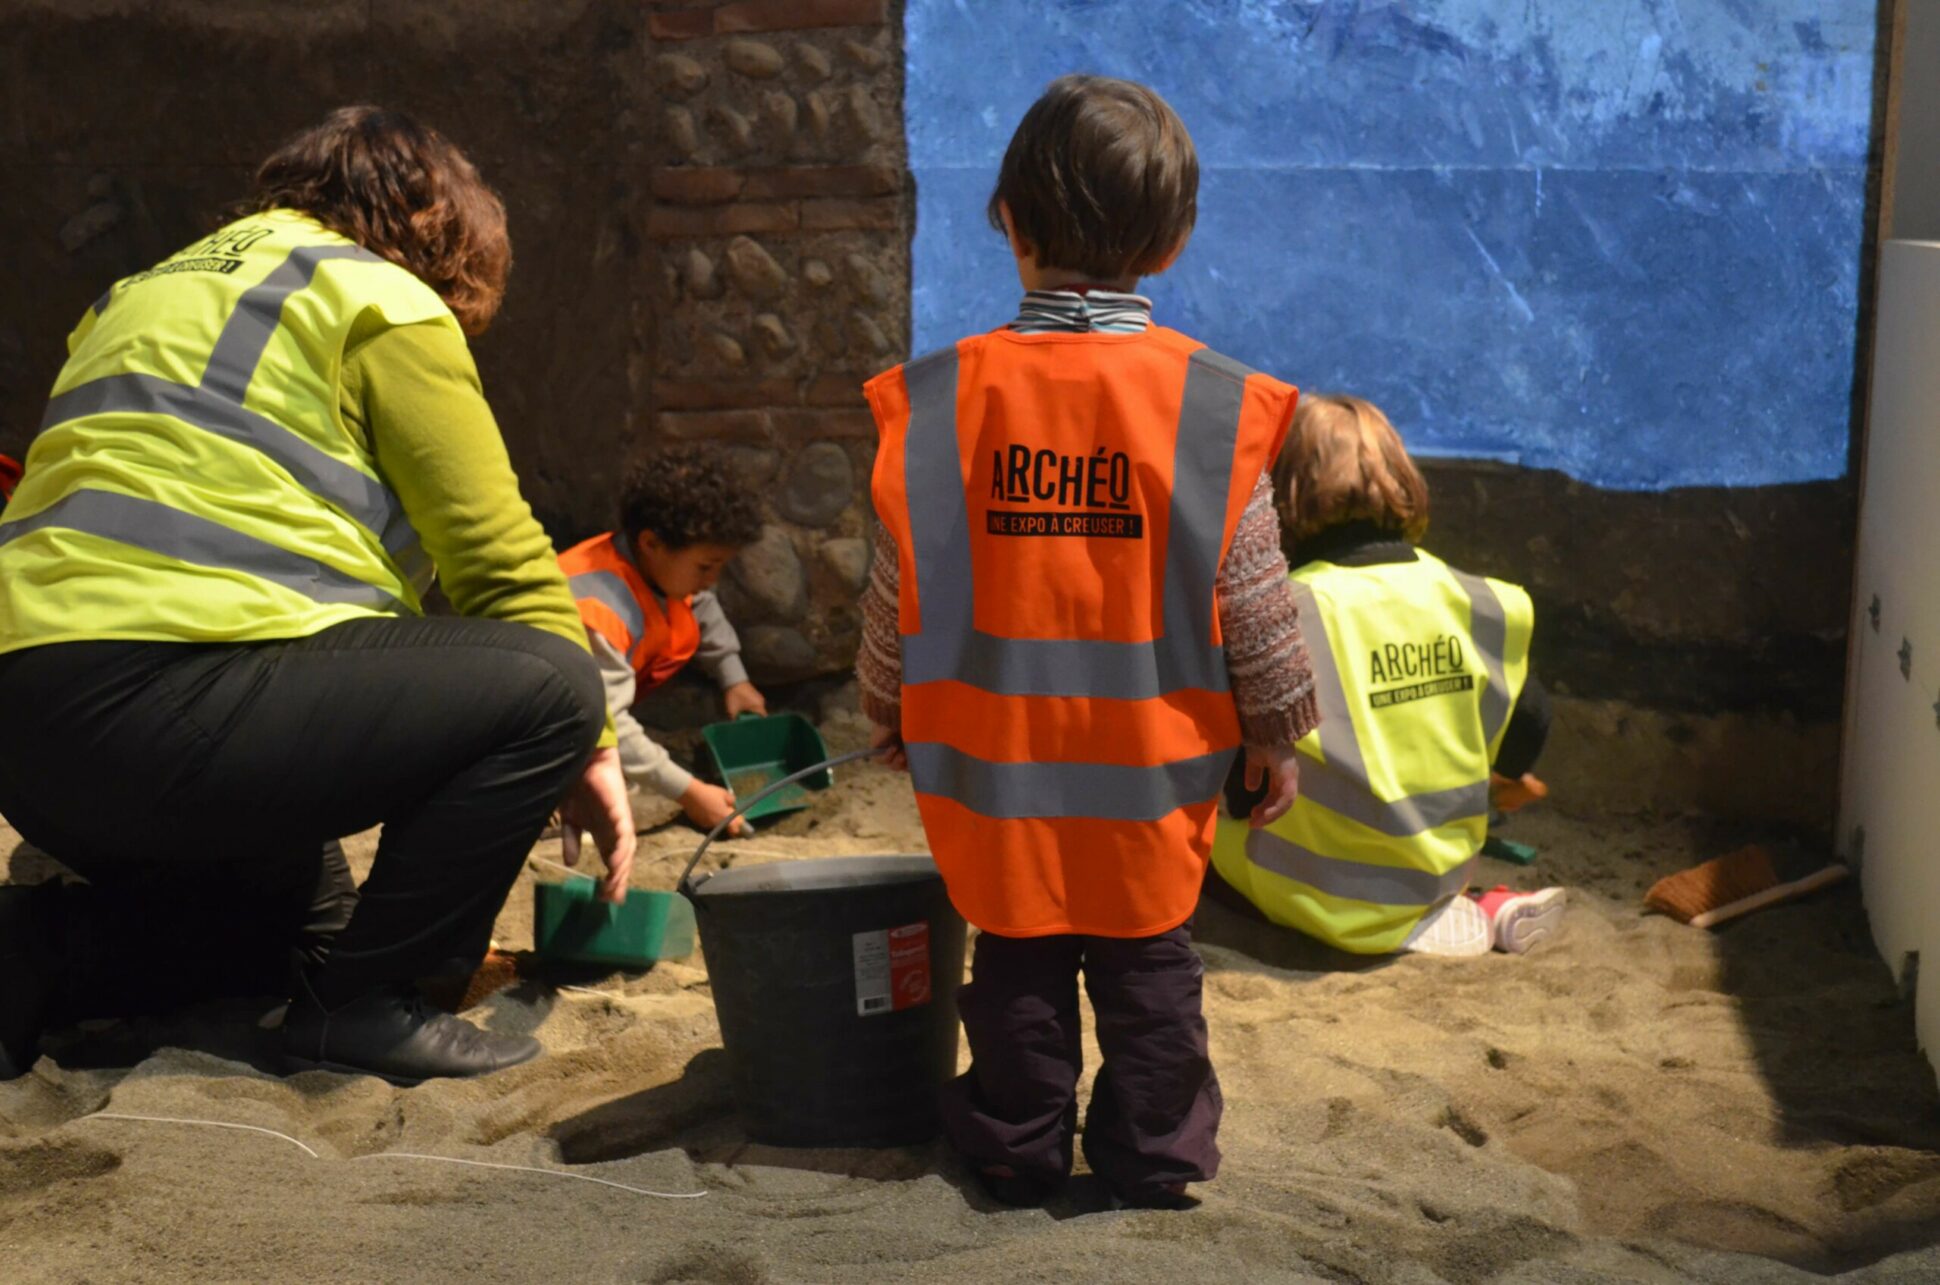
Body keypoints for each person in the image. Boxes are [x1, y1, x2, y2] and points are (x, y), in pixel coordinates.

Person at [0, 107, 635, 1085]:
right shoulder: (377, 297)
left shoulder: (144, 291)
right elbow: (499, 564)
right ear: (441, 228)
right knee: (549, 682)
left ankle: (32, 953)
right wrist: (588, 745)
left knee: (293, 934)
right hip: (173, 694)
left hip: (32, 725)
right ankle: (367, 1009)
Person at [857, 74, 1321, 1210]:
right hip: (1152, 778)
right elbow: (1253, 598)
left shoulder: (937, 404)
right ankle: (1153, 1149)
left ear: (1006, 221)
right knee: (1150, 963)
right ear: (1171, 241)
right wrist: (1275, 734)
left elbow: (893, 589)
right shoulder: (1210, 408)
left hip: (989, 768)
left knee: (1011, 954)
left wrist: (884, 709)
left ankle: (1014, 1139)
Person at [1211, 393, 1562, 958]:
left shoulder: (1277, 614)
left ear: (1281, 491)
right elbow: (1529, 729)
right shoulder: (1483, 602)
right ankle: (1477, 904)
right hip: (1437, 876)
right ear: (1403, 478)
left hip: (1302, 889)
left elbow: (1239, 785)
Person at [558, 444, 766, 835]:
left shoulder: (658, 567)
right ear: (651, 543)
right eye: (705, 566)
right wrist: (689, 792)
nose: (711, 580)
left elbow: (701, 603)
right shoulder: (599, 611)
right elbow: (608, 723)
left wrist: (734, 677)